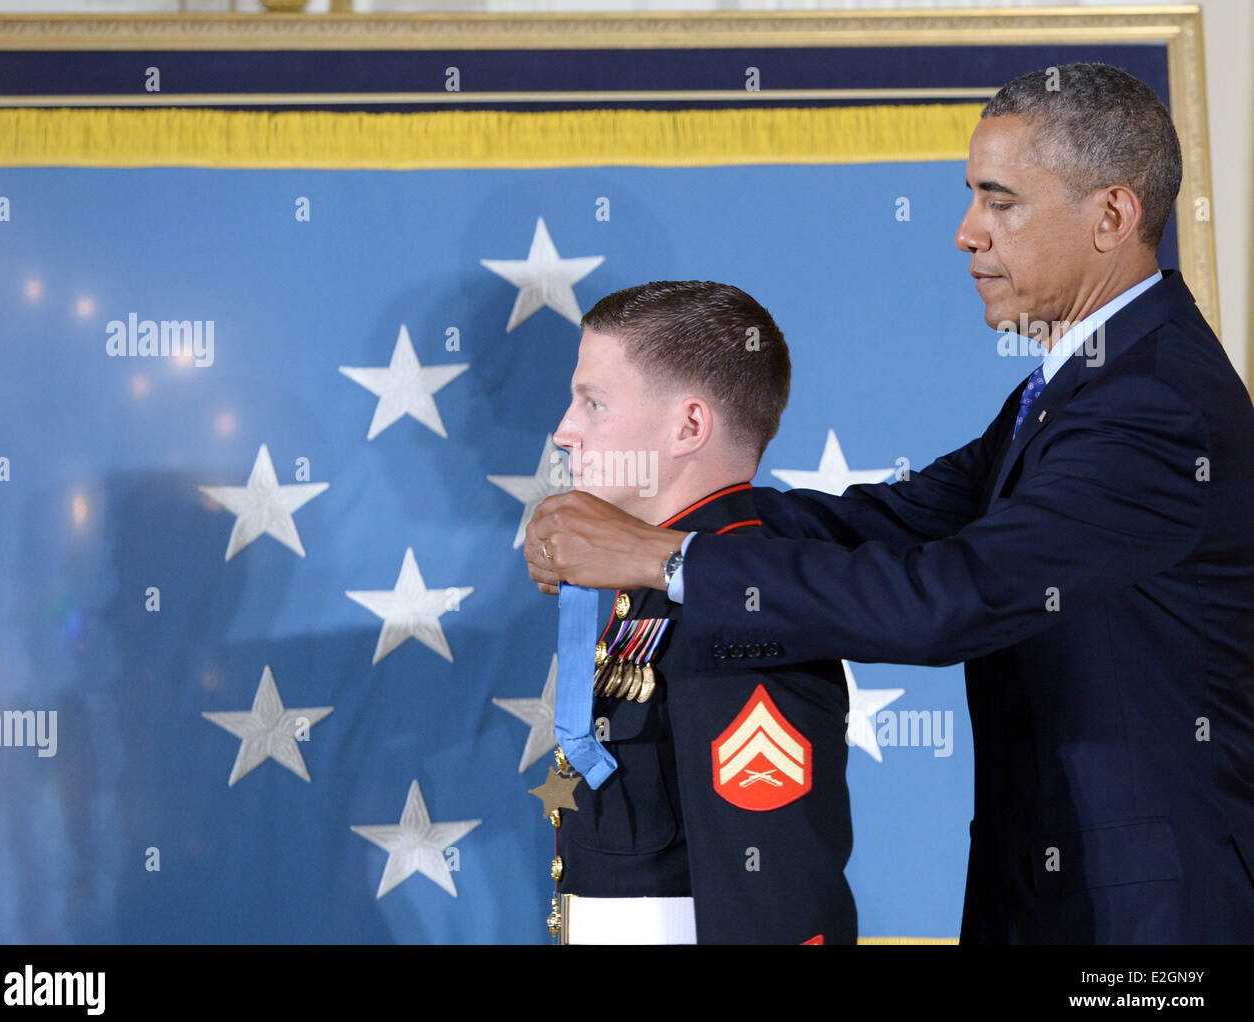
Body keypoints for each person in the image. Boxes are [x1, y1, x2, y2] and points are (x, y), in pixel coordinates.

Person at [526, 64, 1254, 944]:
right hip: (1056, 894)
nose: (966, 233)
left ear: (1112, 215)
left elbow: (949, 598)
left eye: (1001, 202)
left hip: (1145, 919)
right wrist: (675, 526)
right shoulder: (1083, 384)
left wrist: (659, 560)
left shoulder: (1153, 405)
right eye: (970, 199)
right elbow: (898, 517)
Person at [536, 280, 856, 945]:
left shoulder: (740, 614)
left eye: (593, 403)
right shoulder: (655, 590)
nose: (564, 431)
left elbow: (770, 898)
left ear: (689, 426)